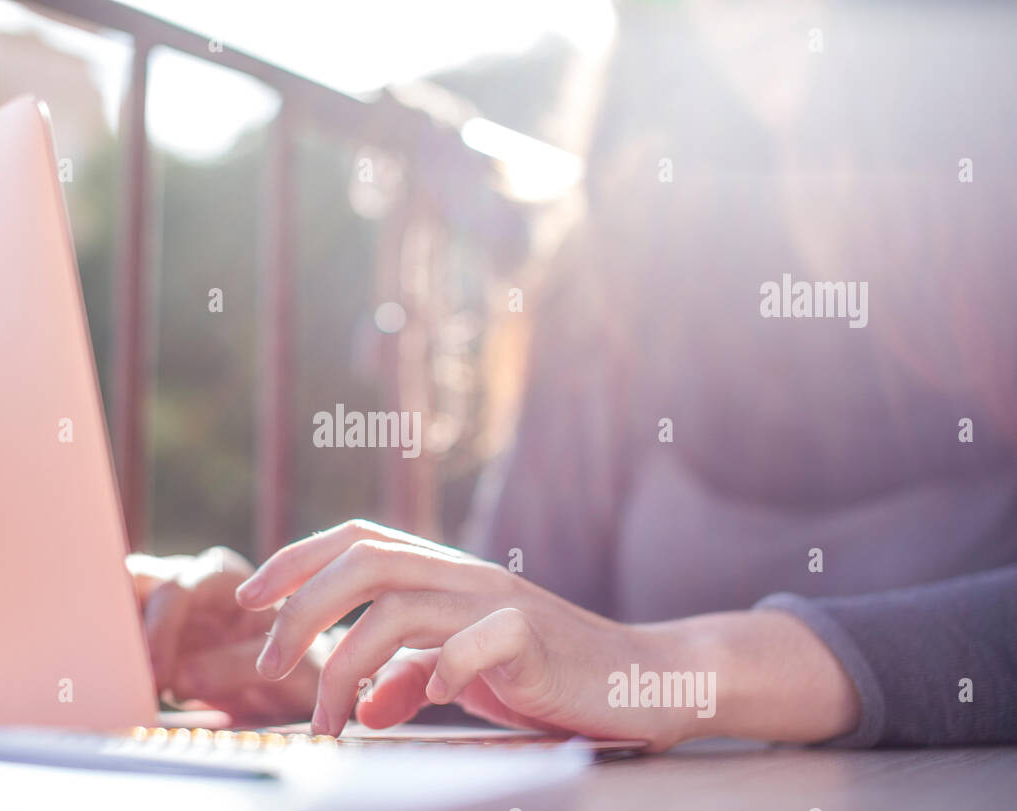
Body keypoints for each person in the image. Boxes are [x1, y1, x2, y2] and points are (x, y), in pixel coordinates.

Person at [130, 1, 1017, 750]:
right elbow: (523, 649)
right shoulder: (614, 274)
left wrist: (673, 667)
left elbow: (622, 665)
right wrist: (326, 675)